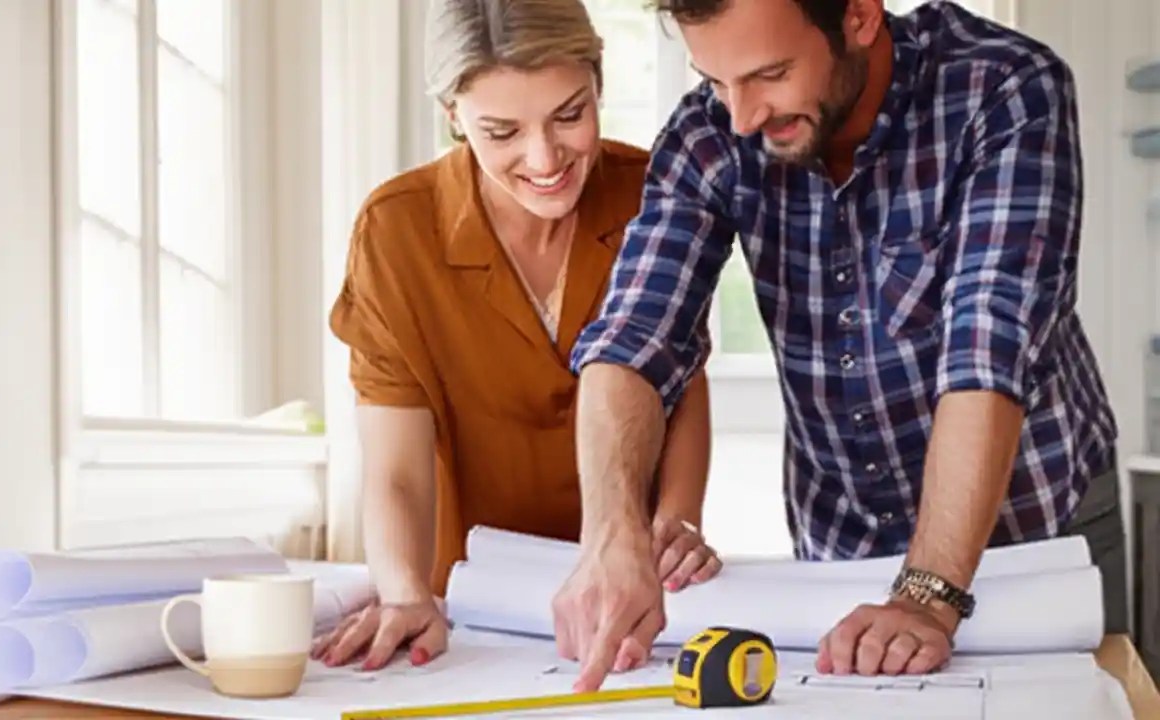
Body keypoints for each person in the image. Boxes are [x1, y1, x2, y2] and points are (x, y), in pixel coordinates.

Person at [554, 0, 1124, 692]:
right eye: (716, 81)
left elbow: (988, 348)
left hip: (1035, 533)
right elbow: (633, 336)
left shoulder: (1003, 88)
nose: (742, 116)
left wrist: (925, 594)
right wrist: (611, 537)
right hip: (841, 545)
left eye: (770, 74)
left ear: (859, 16)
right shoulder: (708, 131)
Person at [314, 0, 723, 672]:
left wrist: (675, 525)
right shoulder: (396, 231)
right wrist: (405, 593)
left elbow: (681, 383)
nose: (545, 158)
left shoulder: (651, 194)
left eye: (569, 115)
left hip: (635, 594)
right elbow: (396, 467)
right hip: (467, 604)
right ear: (453, 114)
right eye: (501, 131)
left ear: (598, 83)